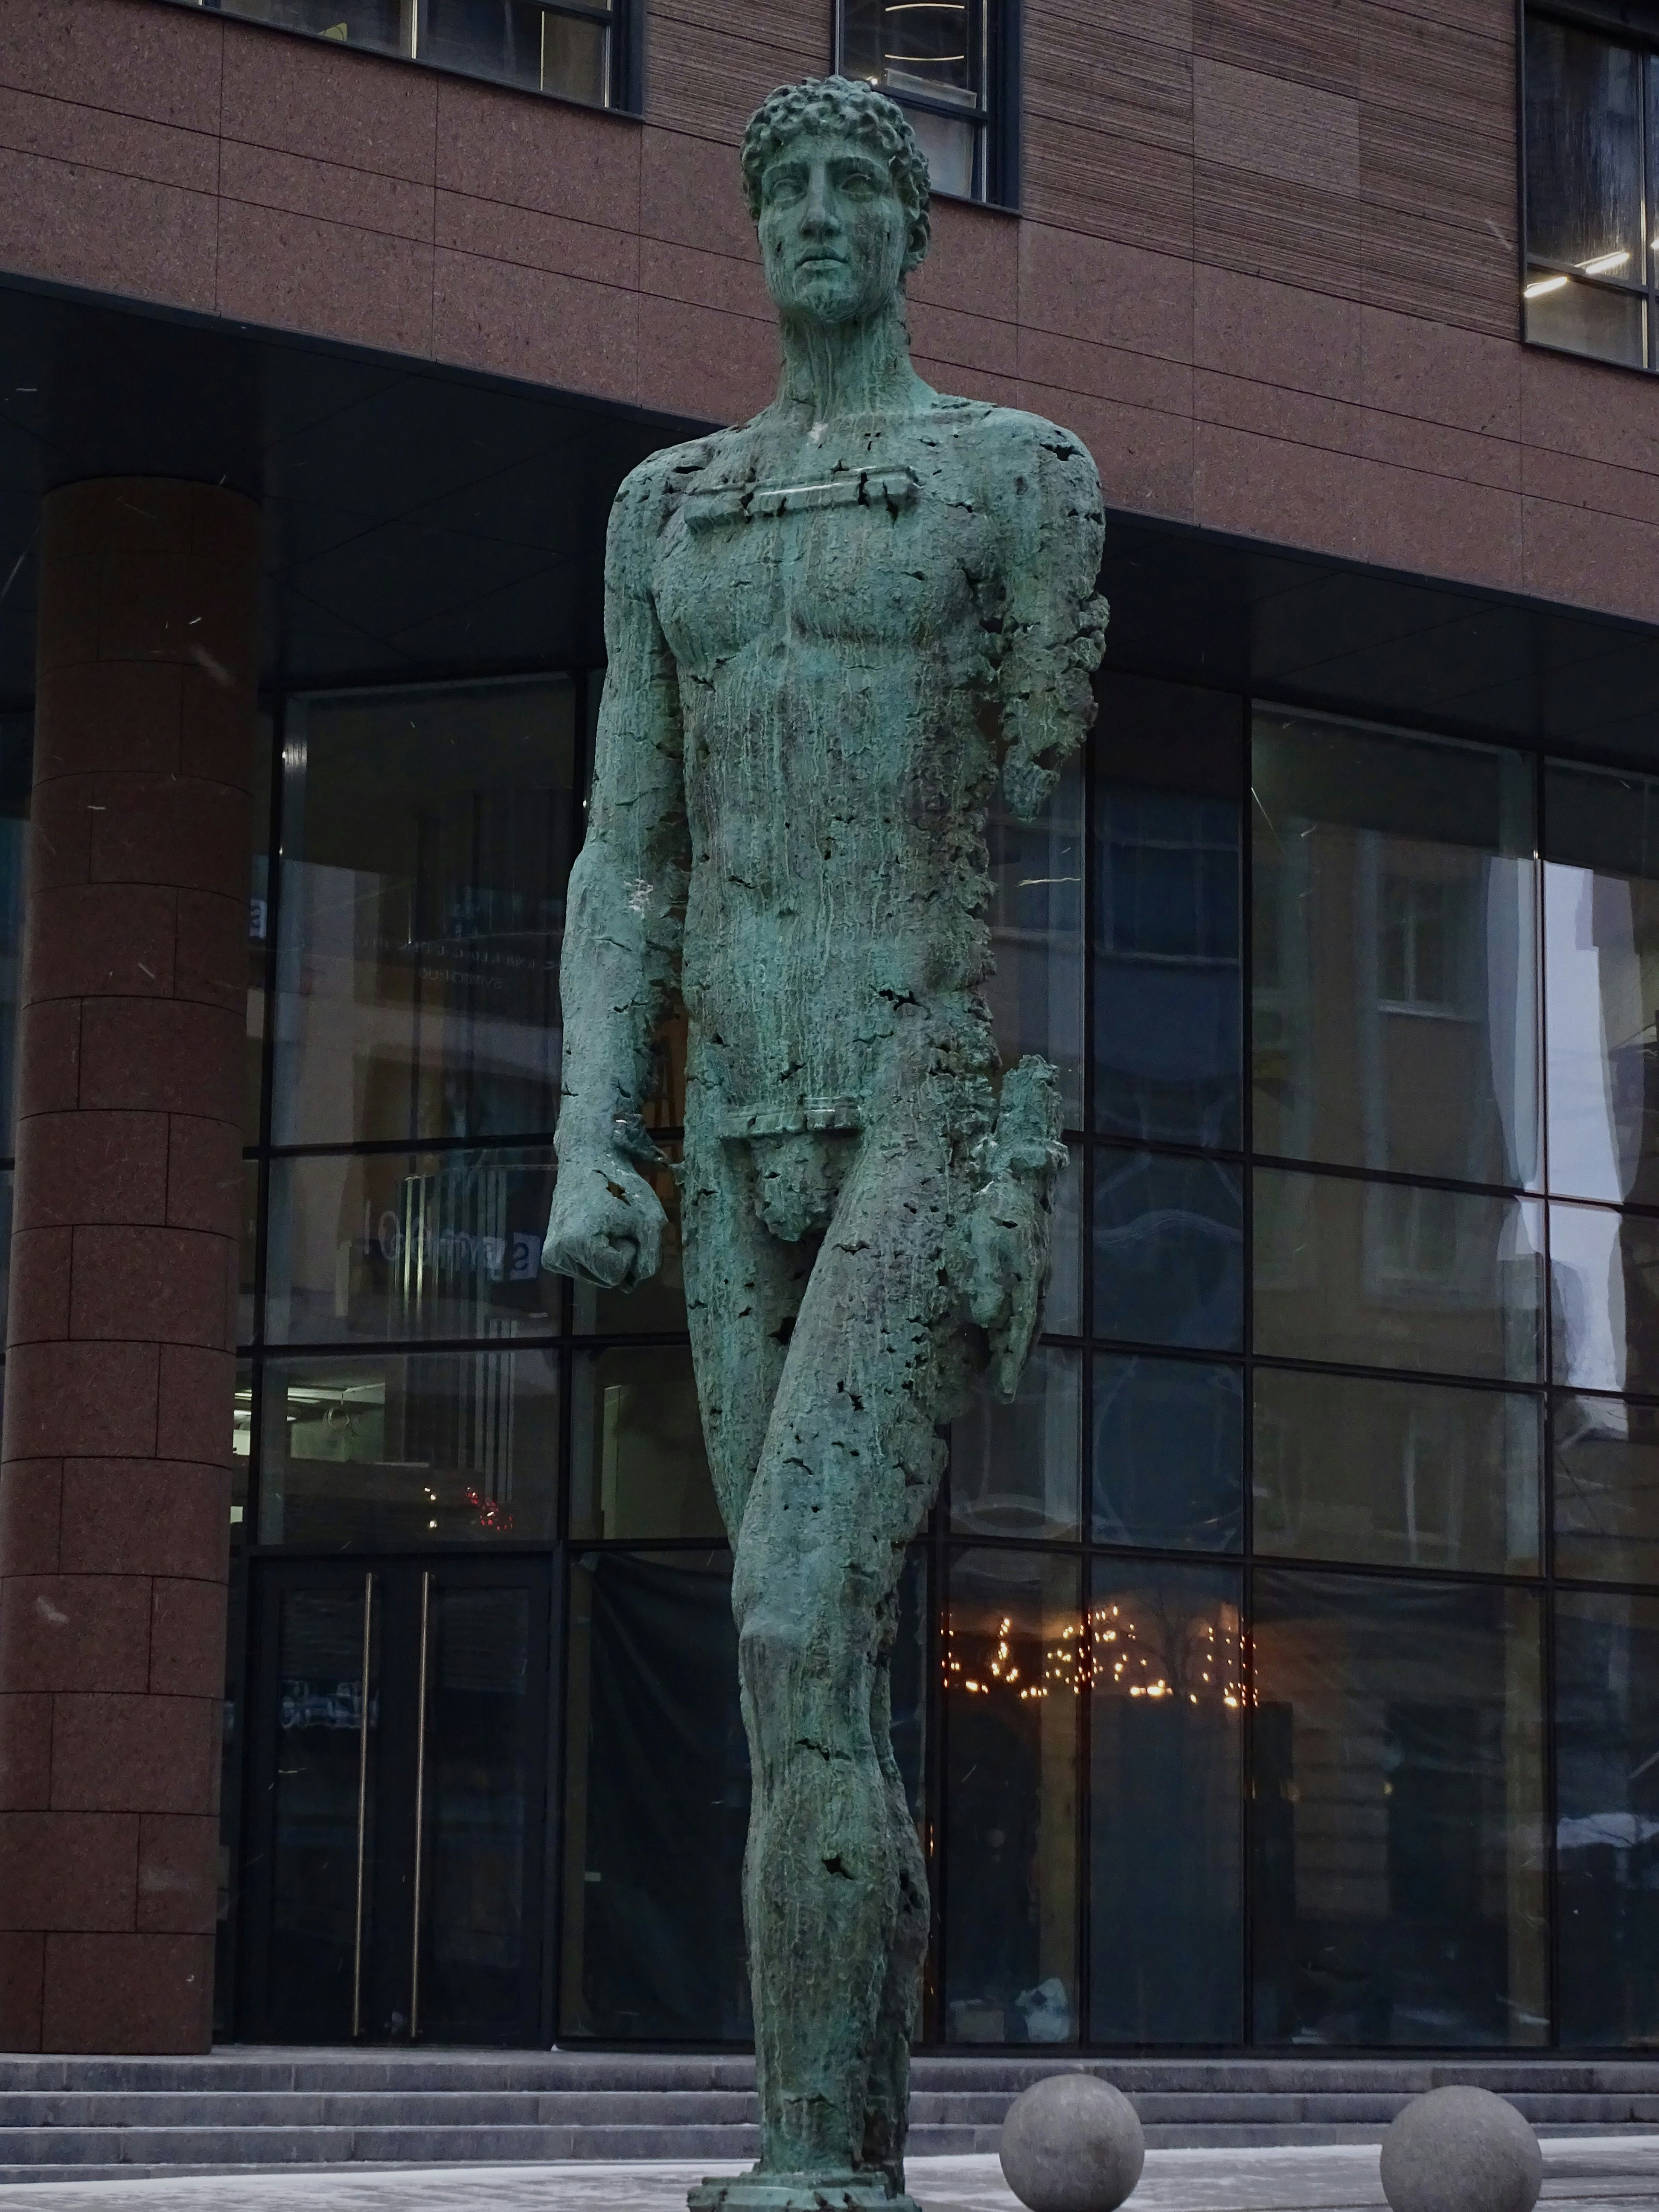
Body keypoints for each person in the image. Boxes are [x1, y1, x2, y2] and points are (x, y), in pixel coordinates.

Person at [541, 74, 1106, 2212]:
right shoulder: (665, 511)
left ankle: (820, 2163)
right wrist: (593, 1123)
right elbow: (627, 849)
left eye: (854, 182)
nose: (810, 216)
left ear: (914, 228)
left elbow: (1043, 774)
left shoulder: (1014, 475)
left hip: (914, 1095)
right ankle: (827, 2149)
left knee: (792, 1618)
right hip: (730, 1121)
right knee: (805, 1677)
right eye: (779, 186)